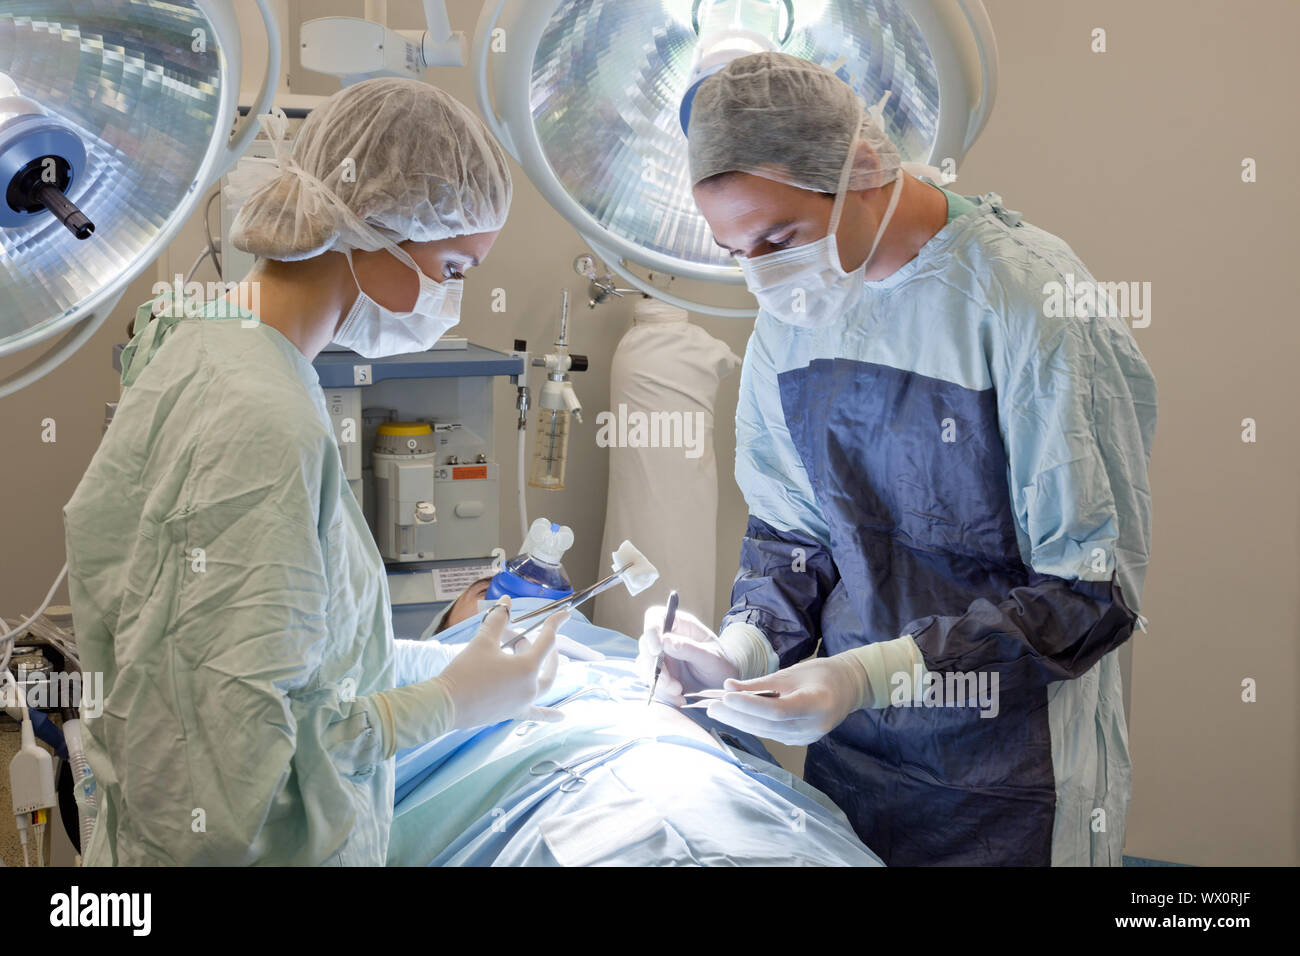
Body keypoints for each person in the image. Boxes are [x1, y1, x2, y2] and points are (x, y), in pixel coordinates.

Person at [639, 52, 1156, 866]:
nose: (766, 277)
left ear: (863, 168)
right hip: (854, 766)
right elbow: (794, 541)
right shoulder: (797, 317)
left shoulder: (1030, 307)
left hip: (1010, 781)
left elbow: (1090, 593)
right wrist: (739, 650)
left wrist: (869, 674)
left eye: (778, 238)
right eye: (739, 252)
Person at [63, 78, 565, 866]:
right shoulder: (267, 422)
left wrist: (437, 660)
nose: (453, 299)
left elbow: (261, 651)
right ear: (380, 229)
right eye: (456, 266)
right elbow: (250, 744)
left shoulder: (199, 331)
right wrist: (449, 703)